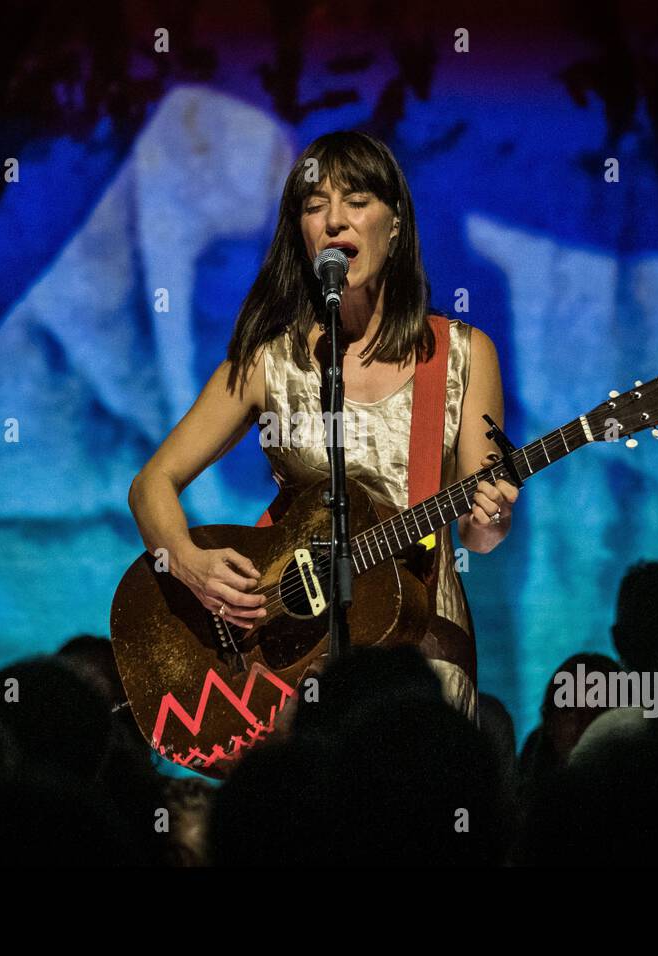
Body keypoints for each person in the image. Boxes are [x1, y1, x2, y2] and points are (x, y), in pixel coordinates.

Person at [127, 130, 519, 722]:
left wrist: (492, 516)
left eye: (357, 202)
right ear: (302, 234)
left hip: (424, 649)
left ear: (395, 225)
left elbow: (477, 536)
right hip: (294, 661)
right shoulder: (268, 359)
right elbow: (151, 481)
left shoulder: (463, 355)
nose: (335, 221)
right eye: (315, 207)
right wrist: (188, 560)